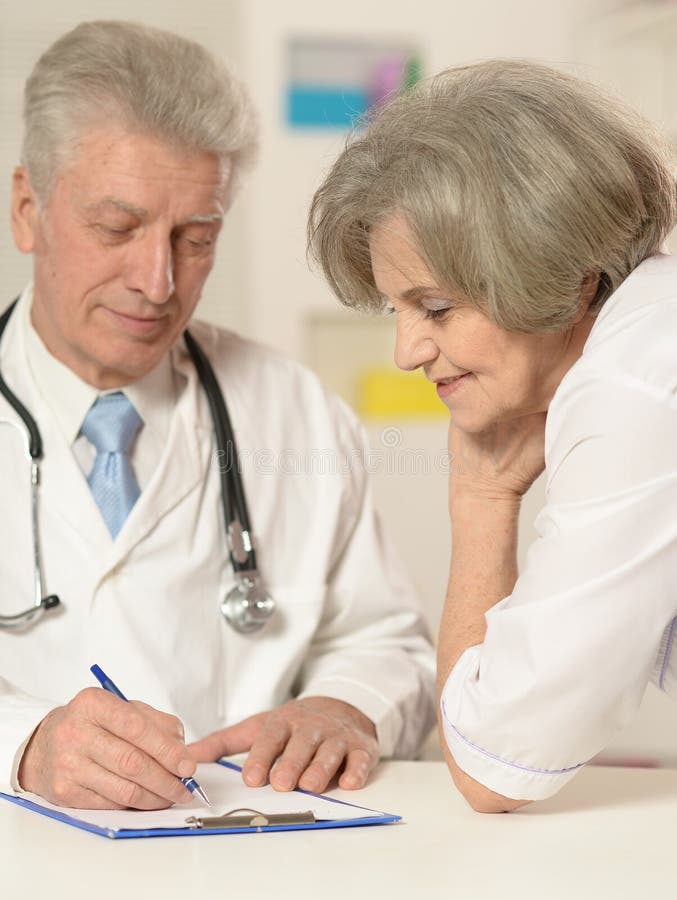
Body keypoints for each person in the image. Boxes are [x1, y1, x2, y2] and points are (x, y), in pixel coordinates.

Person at [0, 20, 436, 810]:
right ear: (28, 208)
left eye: (195, 237)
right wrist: (23, 745)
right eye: (117, 228)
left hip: (247, 865)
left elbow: (387, 643)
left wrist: (344, 708)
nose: (158, 280)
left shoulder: (291, 411)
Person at [308, 59, 677, 812]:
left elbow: (492, 762)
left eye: (436, 308)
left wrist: (479, 497)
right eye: (396, 311)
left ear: (568, 275)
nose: (406, 352)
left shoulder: (631, 392)